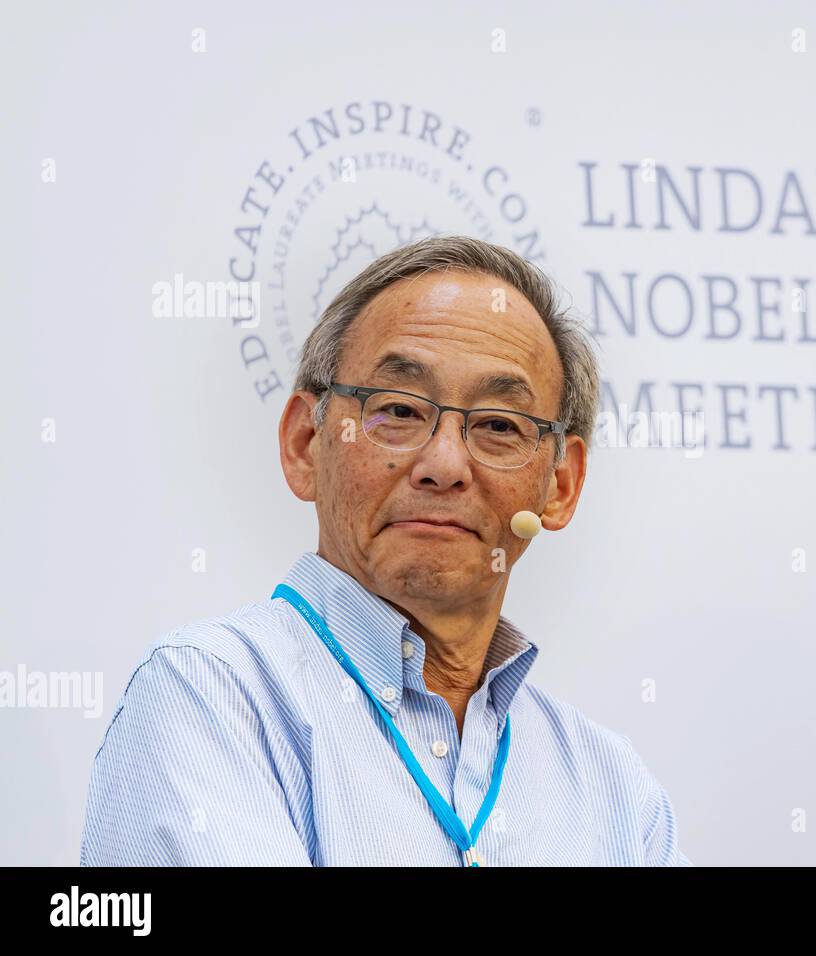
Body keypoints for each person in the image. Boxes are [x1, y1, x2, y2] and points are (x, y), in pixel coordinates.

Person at [80, 236, 690, 866]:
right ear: (304, 444)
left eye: (498, 425)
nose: (444, 465)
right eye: (398, 410)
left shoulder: (618, 795)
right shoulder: (212, 694)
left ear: (561, 485)